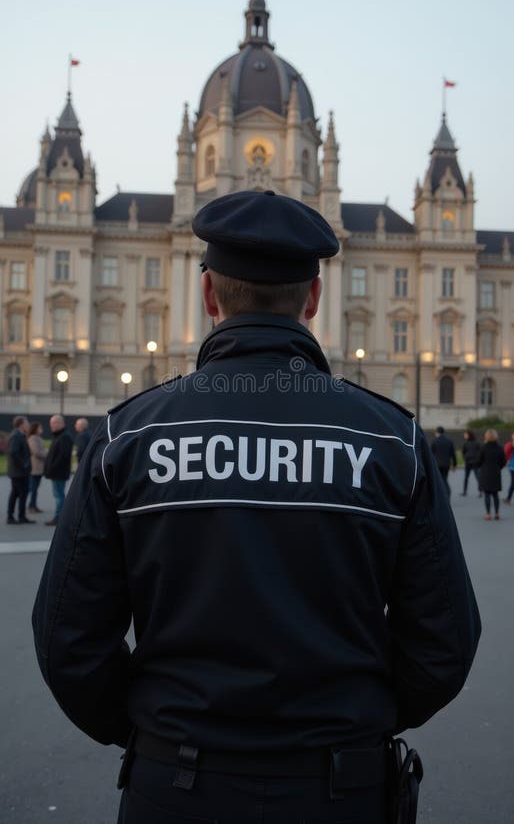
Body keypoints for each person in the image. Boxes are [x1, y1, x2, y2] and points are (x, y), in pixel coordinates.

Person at [33, 191, 481, 824]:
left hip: (175, 788)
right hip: (341, 789)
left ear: (210, 295)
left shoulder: (127, 437)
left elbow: (65, 639)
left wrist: (155, 729)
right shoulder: (392, 441)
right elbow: (445, 641)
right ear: (315, 298)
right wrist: (357, 718)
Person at [43, 414, 74, 527]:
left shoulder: (64, 437)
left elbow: (62, 457)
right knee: (58, 495)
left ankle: (60, 517)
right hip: (57, 472)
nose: (51, 425)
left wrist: (51, 468)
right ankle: (60, 516)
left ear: (61, 423)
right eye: (51, 423)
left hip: (59, 473)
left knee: (59, 495)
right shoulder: (60, 436)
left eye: (54, 423)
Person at [6, 415, 33, 524]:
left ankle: (15, 516)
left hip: (19, 472)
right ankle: (16, 517)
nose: (28, 425)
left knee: (17, 493)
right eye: (27, 423)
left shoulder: (19, 435)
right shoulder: (16, 436)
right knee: (20, 494)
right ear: (21, 425)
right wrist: (24, 464)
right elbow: (13, 452)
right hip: (18, 472)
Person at [478, 428, 506, 520]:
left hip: (486, 473)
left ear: (486, 436)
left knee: (487, 494)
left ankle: (488, 513)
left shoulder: (483, 447)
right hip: (496, 473)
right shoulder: (500, 447)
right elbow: (503, 461)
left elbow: (479, 461)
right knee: (495, 494)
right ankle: (497, 513)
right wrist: (499, 468)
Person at [430, 426, 457, 496]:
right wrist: (454, 465)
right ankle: (447, 494)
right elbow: (453, 454)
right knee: (444, 479)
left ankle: (443, 495)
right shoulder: (449, 441)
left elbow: (430, 454)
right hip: (446, 464)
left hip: (437, 464)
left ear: (437, 432)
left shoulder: (434, 441)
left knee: (439, 480)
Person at [27, 421, 47, 514]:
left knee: (35, 488)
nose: (41, 429)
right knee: (34, 488)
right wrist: (47, 453)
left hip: (39, 467)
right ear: (35, 429)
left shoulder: (37, 438)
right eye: (40, 428)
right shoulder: (33, 438)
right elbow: (36, 452)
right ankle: (31, 506)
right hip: (35, 467)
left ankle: (33, 505)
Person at [461, 428, 481, 497]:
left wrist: (477, 460)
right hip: (468, 462)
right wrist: (465, 458)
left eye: (465, 435)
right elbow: (463, 452)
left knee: (477, 477)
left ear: (469, 435)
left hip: (475, 462)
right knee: (466, 477)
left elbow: (480, 452)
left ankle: (480, 491)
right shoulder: (465, 443)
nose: (464, 436)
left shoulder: (477, 442)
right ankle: (464, 491)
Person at [502, 432, 514, 504]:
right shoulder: (510, 445)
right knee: (513, 483)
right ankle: (508, 499)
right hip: (512, 467)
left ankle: (508, 499)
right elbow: (506, 452)